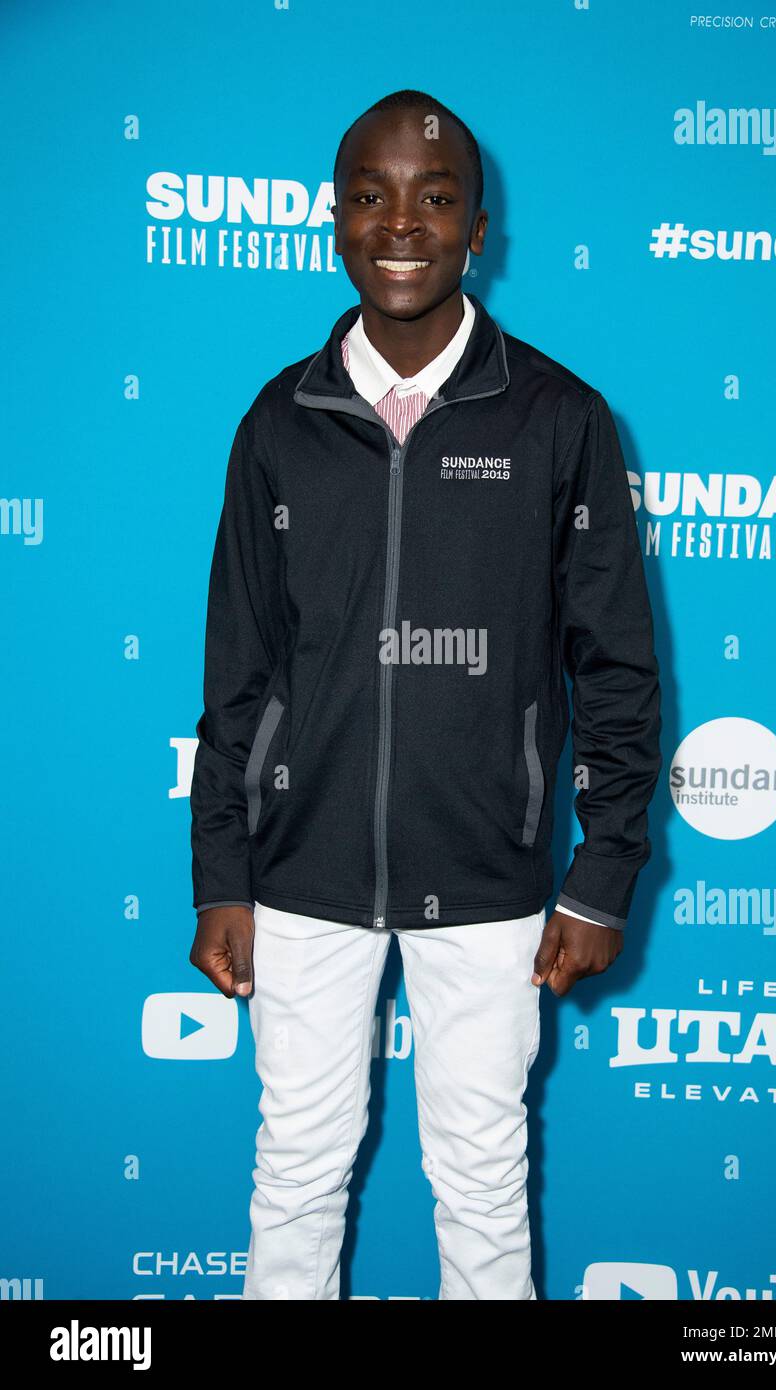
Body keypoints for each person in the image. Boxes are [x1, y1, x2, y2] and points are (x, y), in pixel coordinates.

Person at [188, 88, 662, 1301]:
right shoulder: (277, 423)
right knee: (294, 1171)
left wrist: (601, 872)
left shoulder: (558, 418)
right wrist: (220, 874)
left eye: (434, 199)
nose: (402, 223)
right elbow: (237, 667)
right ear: (333, 223)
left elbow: (613, 664)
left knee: (482, 1176)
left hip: (492, 877)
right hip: (302, 877)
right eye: (371, 197)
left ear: (478, 227)